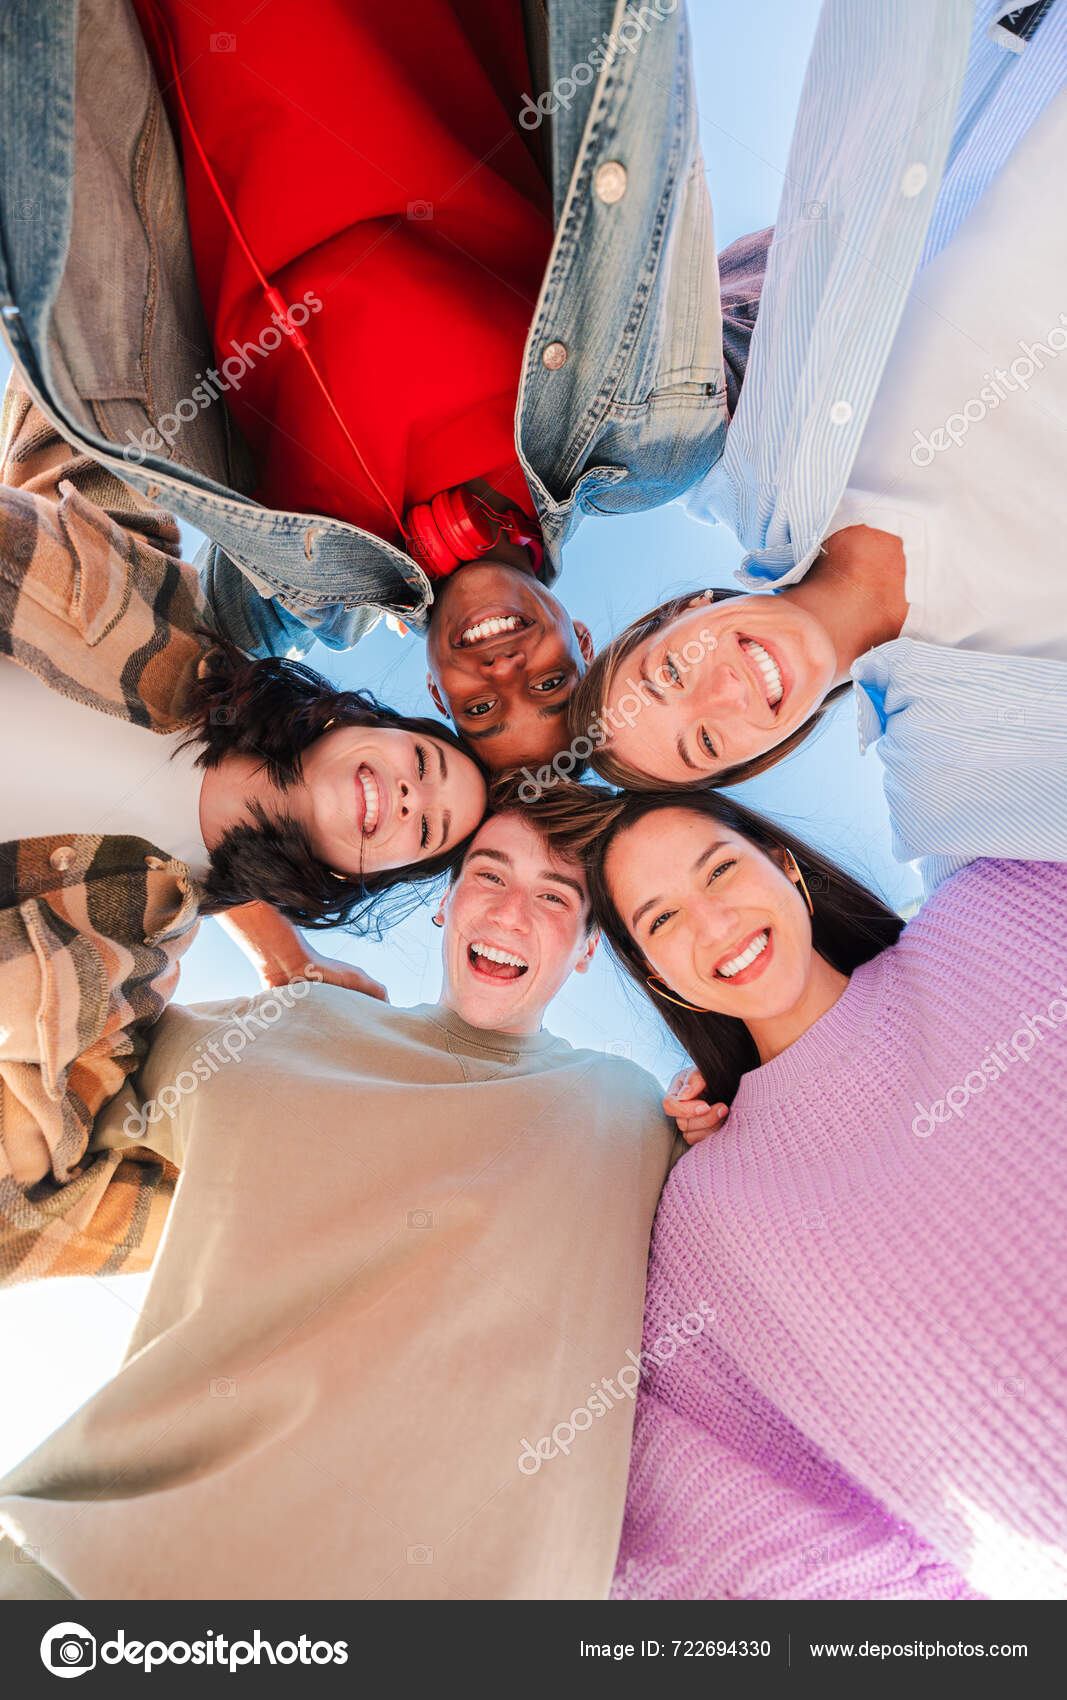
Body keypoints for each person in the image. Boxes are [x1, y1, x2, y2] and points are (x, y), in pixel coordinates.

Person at [0, 0, 769, 773]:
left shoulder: (315, 593)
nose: (506, 673)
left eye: (480, 709)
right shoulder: (640, 448)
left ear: (436, 698)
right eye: (551, 682)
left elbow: (195, 699)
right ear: (586, 642)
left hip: (195, 56)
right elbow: (798, 301)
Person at [0, 805, 676, 1601]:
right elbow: (71, 1037)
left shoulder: (628, 1114)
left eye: (557, 898)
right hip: (94, 1568)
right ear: (444, 903)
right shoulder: (299, 1022)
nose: (508, 912)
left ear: (591, 947)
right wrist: (283, 948)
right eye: (487, 876)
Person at [0, 374, 487, 1287]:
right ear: (359, 720)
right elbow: (86, 380)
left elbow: (32, 1203)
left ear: (351, 874)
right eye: (423, 765)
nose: (414, 799)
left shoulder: (124, 969)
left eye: (424, 832)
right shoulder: (162, 593)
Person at [571, 0, 1067, 888]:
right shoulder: (950, 768)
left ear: (685, 611)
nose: (721, 691)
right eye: (706, 742)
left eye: (670, 670)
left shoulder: (757, 457)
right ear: (753, 762)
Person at [536, 784, 1067, 1598]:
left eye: (718, 871)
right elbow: (740, 1518)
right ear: (659, 976)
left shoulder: (992, 916)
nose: (712, 923)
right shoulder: (705, 1211)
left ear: (783, 865)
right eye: (663, 920)